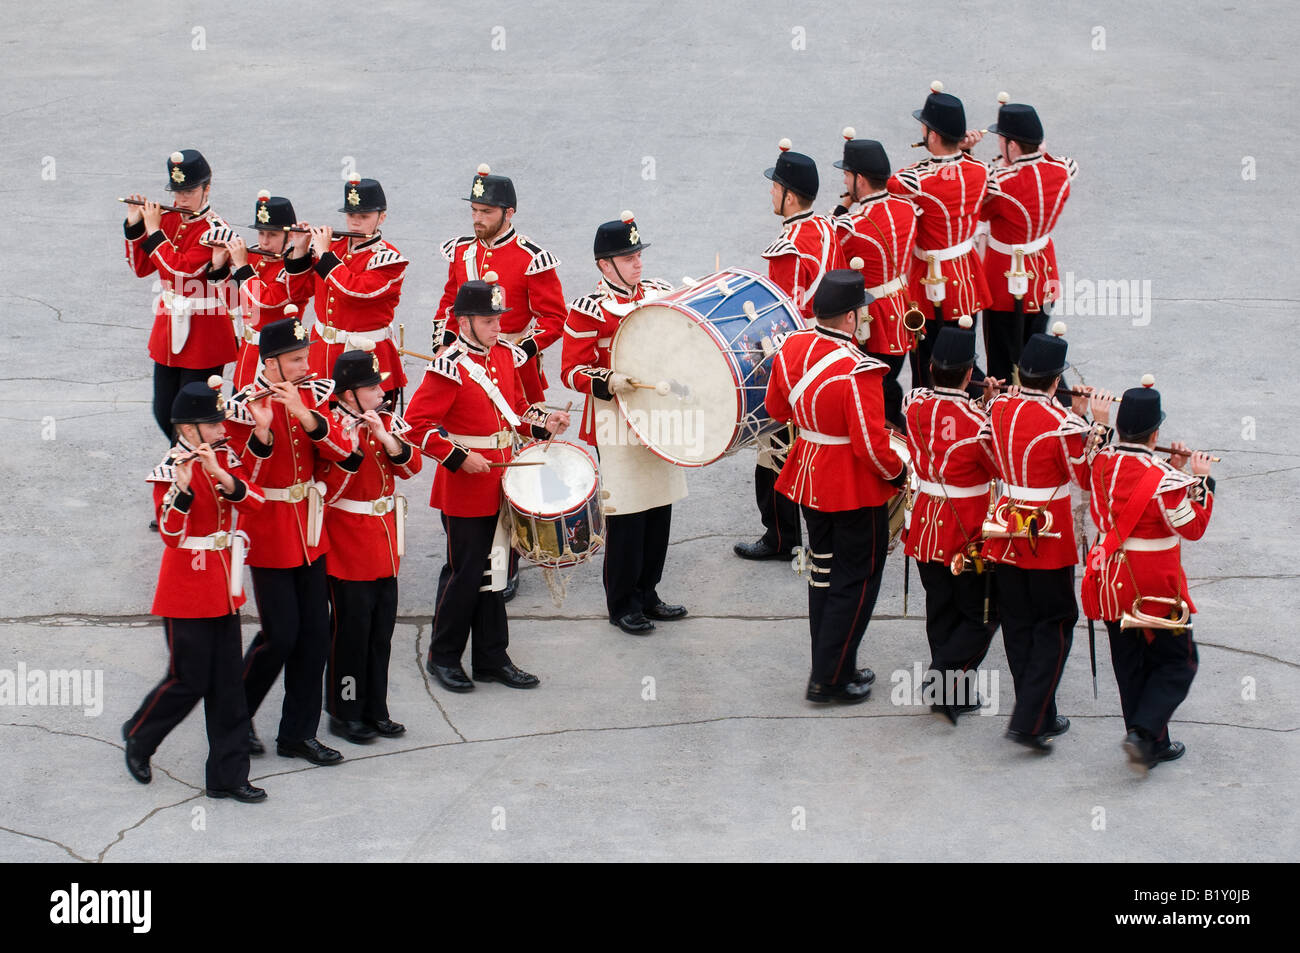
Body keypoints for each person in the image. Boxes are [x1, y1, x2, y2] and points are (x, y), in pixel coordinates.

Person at [405, 277, 570, 693]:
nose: (497, 326)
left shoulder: (504, 358)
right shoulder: (448, 365)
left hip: (502, 477)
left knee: (497, 571)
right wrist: (459, 457)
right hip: (464, 486)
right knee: (465, 574)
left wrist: (545, 424)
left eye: (499, 318)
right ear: (464, 322)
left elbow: (514, 413)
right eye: (487, 319)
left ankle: (491, 657)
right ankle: (442, 657)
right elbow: (415, 427)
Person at [765, 269, 906, 703]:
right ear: (848, 318)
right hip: (851, 484)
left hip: (808, 471)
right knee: (857, 577)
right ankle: (829, 678)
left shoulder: (791, 347)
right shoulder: (859, 369)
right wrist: (900, 474)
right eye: (860, 312)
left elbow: (775, 406)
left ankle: (833, 665)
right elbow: (868, 443)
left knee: (822, 572)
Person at [124, 380, 267, 802]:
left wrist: (222, 475)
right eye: (213, 423)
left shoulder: (225, 457)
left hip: (223, 584)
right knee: (188, 680)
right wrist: (184, 490)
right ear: (188, 429)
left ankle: (228, 776)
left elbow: (255, 503)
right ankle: (139, 736)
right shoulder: (168, 469)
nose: (223, 429)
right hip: (187, 586)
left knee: (227, 685)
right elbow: (170, 533)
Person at [224, 316, 354, 765]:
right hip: (270, 530)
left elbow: (343, 454)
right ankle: (232, 721)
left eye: (305, 357)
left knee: (316, 635)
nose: (306, 365)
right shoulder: (241, 407)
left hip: (310, 528)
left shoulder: (315, 396)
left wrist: (304, 414)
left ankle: (297, 734)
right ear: (271, 362)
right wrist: (261, 434)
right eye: (297, 359)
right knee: (279, 637)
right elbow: (242, 483)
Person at [435, 164, 567, 601]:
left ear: (508, 212)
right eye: (474, 209)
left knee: (509, 462)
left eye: (486, 211)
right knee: (462, 442)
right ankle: (464, 545)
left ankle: (506, 558)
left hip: (514, 370)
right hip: (467, 362)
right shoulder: (460, 252)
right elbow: (447, 304)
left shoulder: (531, 257)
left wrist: (515, 351)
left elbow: (553, 319)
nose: (477, 218)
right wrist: (445, 345)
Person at [979, 324, 1111, 751]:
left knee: (1017, 620)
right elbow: (1084, 478)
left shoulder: (998, 407)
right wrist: (1094, 426)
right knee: (1054, 622)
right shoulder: (1062, 422)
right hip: (1046, 530)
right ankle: (1031, 719)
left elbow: (989, 455)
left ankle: (1040, 711)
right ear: (1056, 381)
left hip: (1005, 523)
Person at [560, 212, 687, 635]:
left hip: (659, 413)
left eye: (637, 254)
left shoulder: (657, 293)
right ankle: (622, 602)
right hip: (615, 417)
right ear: (604, 264)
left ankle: (648, 592)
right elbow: (571, 372)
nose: (637, 263)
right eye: (627, 257)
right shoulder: (588, 311)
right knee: (628, 512)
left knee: (659, 506)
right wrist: (607, 380)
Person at [1086, 378, 1214, 772]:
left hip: (1109, 579)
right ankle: (1144, 734)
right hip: (1153, 583)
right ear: (1155, 433)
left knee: (1130, 664)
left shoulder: (1101, 461)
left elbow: (1112, 474)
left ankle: (1150, 743)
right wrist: (1201, 481)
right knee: (1179, 661)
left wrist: (1174, 471)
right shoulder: (1167, 481)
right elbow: (1191, 527)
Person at [736, 140, 846, 562]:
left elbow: (778, 317)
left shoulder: (788, 246)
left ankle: (780, 536)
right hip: (830, 351)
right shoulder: (826, 228)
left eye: (775, 186)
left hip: (796, 360)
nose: (770, 193)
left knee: (774, 448)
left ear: (790, 195)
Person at [320, 345, 423, 743]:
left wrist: (386, 437)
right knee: (350, 634)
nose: (381, 391)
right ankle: (344, 711)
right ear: (348, 394)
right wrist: (355, 445)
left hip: (383, 538)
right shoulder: (330, 426)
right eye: (371, 386)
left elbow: (411, 468)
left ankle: (375, 708)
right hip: (348, 540)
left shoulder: (384, 419)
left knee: (381, 632)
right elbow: (329, 489)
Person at [902, 318, 1001, 723]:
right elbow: (998, 467)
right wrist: (993, 405)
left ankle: (953, 695)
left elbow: (937, 408)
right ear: (968, 374)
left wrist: (979, 401)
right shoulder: (980, 424)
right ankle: (944, 676)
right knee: (983, 613)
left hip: (925, 520)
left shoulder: (914, 405)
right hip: (966, 524)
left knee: (940, 608)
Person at [122, 149, 238, 442]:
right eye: (177, 191)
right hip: (169, 322)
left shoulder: (216, 230)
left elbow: (181, 269)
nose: (181, 198)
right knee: (164, 411)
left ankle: (189, 470)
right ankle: (186, 462)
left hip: (204, 327)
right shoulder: (168, 218)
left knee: (192, 414)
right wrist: (135, 226)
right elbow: (141, 268)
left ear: (207, 188)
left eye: (189, 191)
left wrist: (153, 230)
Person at [888, 83, 990, 386]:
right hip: (965, 277)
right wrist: (965, 151)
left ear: (932, 135)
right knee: (962, 357)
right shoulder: (980, 170)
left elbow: (889, 184)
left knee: (925, 365)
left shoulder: (915, 179)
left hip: (927, 278)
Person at [978, 97, 1078, 382]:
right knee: (1039, 354)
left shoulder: (1002, 183)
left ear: (1012, 146)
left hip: (1004, 280)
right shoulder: (1061, 171)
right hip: (1044, 273)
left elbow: (978, 210)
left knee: (1002, 361)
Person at [832, 131, 920, 427]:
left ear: (861, 179)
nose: (844, 182)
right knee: (888, 381)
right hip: (901, 311)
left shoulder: (852, 225)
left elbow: (827, 245)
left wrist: (843, 206)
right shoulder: (907, 208)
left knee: (873, 388)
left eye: (847, 176)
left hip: (872, 318)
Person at [307, 173, 409, 400]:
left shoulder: (390, 260)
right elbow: (301, 289)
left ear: (381, 217)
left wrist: (324, 255)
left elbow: (355, 292)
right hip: (322, 357)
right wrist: (298, 250)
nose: (355, 222)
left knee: (371, 432)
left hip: (367, 360)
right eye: (351, 215)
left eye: (364, 216)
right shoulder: (333, 248)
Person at [226, 190, 314, 389]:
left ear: (290, 235)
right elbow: (230, 299)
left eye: (272, 235)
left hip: (278, 360)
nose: (264, 242)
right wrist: (218, 266)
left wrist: (242, 268)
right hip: (248, 354)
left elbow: (267, 300)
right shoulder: (255, 257)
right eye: (261, 233)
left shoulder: (294, 268)